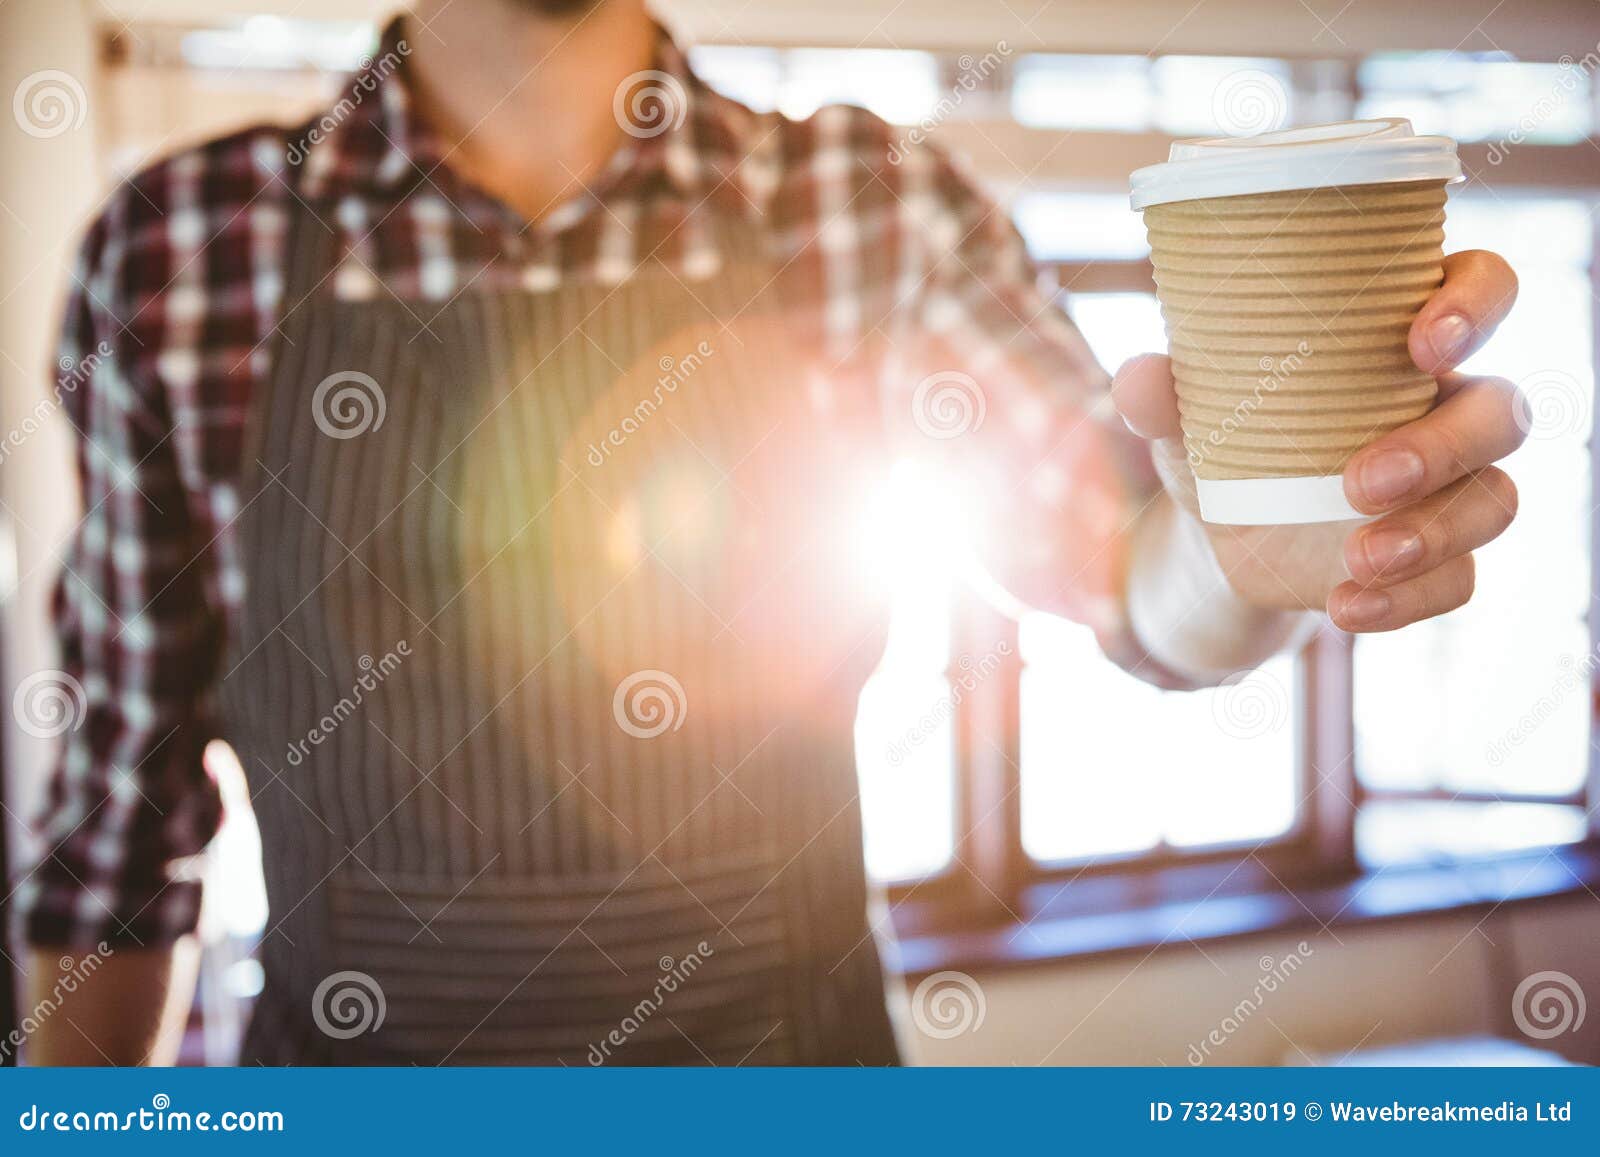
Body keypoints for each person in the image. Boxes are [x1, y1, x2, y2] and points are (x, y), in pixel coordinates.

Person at [22, 0, 1523, 1065]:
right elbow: (116, 842)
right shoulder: (184, 252)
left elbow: (1138, 578)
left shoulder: (863, 208)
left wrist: (1256, 551)